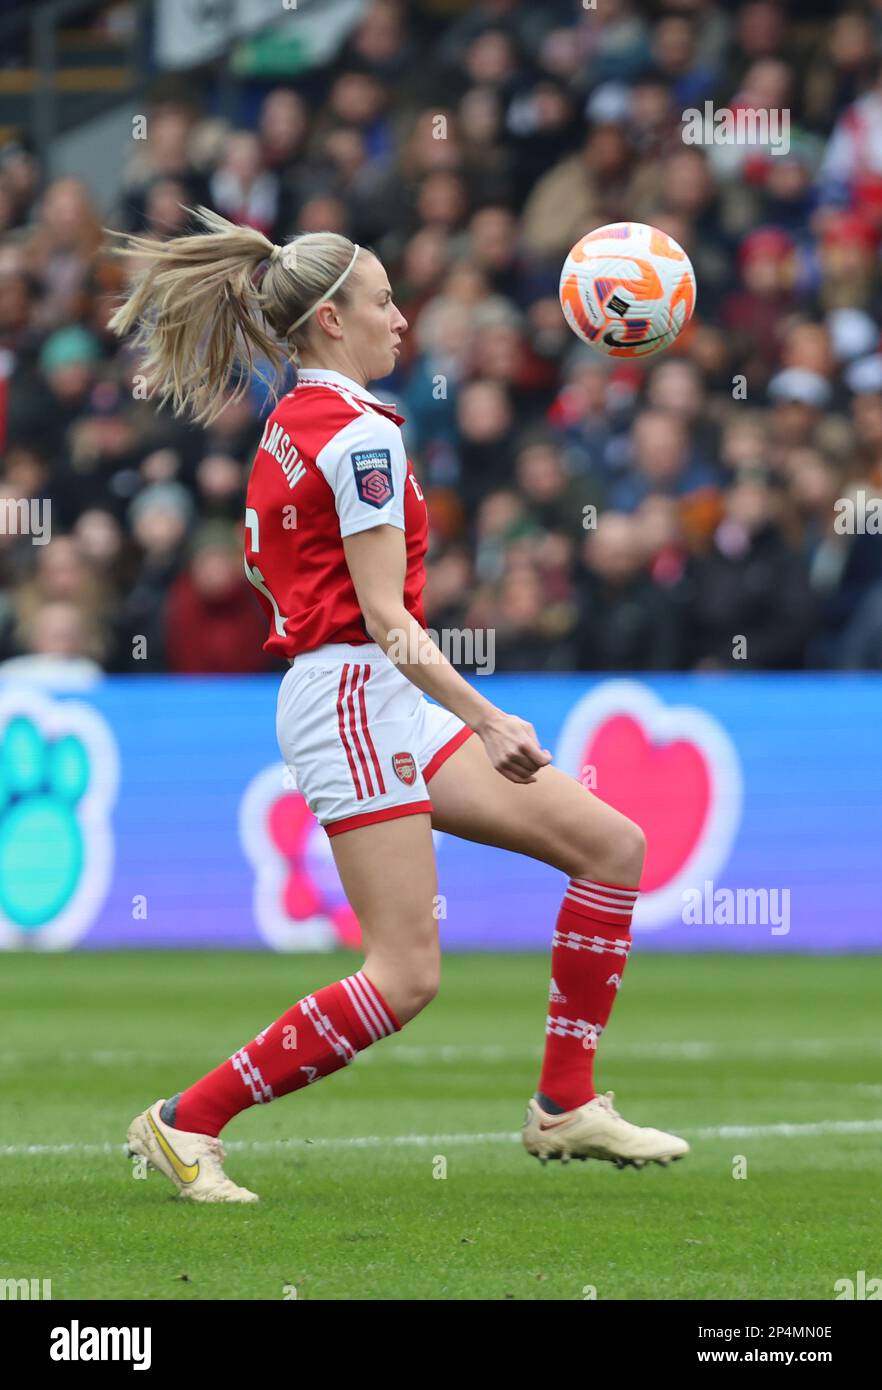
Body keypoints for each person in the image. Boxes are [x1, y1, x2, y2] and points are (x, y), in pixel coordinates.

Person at [108, 208, 688, 1202]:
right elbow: (388, 620)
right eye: (383, 301)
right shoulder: (360, 440)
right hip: (353, 694)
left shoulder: (297, 421)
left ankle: (566, 1103)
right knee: (407, 973)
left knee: (612, 847)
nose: (401, 319)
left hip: (364, 695)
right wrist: (495, 718)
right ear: (332, 319)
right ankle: (185, 1121)